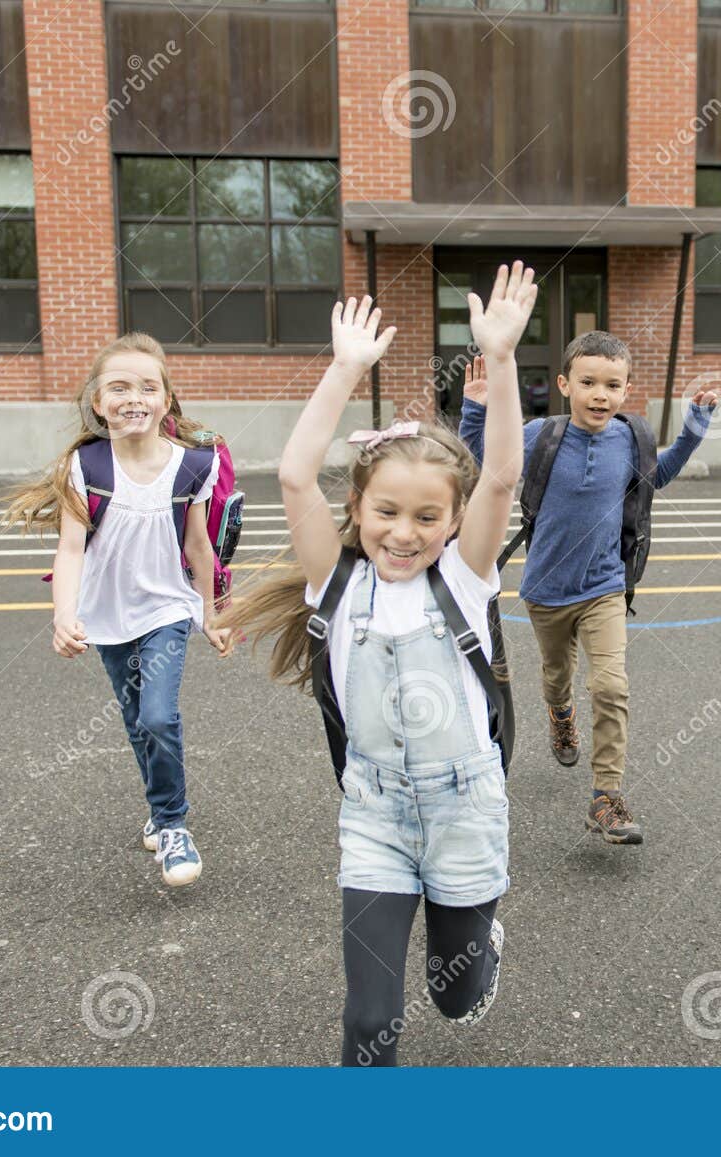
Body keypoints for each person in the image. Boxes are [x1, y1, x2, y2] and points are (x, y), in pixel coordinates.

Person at [221, 266, 536, 1065]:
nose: (404, 532)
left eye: (428, 515)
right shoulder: (338, 579)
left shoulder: (466, 577)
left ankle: (479, 946)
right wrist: (343, 370)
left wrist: (499, 359)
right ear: (357, 512)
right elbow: (294, 475)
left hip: (466, 807)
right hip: (376, 812)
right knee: (370, 1020)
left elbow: (501, 471)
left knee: (453, 995)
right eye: (386, 512)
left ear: (456, 520)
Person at [459, 333, 715, 844]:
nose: (601, 394)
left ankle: (606, 796)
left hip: (605, 586)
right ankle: (559, 714)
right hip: (546, 591)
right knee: (558, 678)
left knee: (611, 686)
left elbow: (655, 477)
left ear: (626, 390)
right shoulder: (539, 437)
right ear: (564, 384)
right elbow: (482, 466)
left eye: (613, 385)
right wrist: (474, 410)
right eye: (589, 382)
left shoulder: (630, 439)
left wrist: (691, 433)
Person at [1, 333, 234, 888]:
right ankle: (160, 807)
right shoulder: (84, 466)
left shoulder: (192, 467)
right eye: (119, 387)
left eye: (148, 387)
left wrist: (212, 613)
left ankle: (174, 824)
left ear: (166, 400)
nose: (135, 397)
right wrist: (64, 615)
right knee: (135, 721)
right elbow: (70, 548)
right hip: (105, 615)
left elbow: (199, 549)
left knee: (157, 715)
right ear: (99, 402)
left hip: (166, 608)